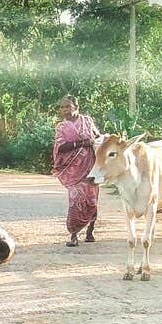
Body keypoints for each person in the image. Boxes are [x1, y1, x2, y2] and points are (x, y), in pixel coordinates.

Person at [52, 96, 100, 246]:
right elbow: (60, 147)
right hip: (73, 171)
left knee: (92, 201)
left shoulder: (87, 121)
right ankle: (73, 235)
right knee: (75, 202)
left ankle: (90, 232)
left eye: (68, 106)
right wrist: (82, 143)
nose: (64, 110)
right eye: (62, 107)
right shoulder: (62, 127)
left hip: (90, 169)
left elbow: (97, 137)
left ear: (76, 107)